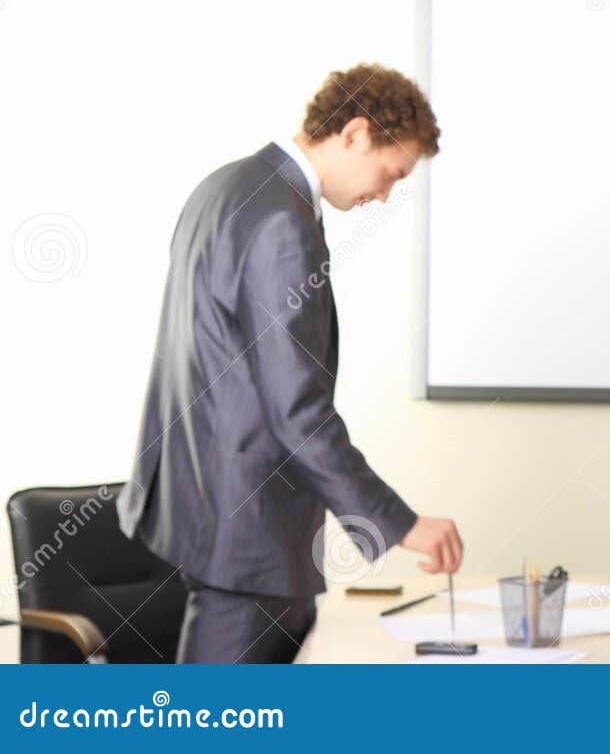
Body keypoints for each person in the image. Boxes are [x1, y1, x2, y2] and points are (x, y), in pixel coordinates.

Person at [118, 64, 464, 664]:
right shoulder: (283, 222)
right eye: (391, 174)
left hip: (204, 508)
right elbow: (297, 410)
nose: (384, 194)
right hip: (251, 534)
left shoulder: (223, 186)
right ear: (355, 133)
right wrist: (399, 522)